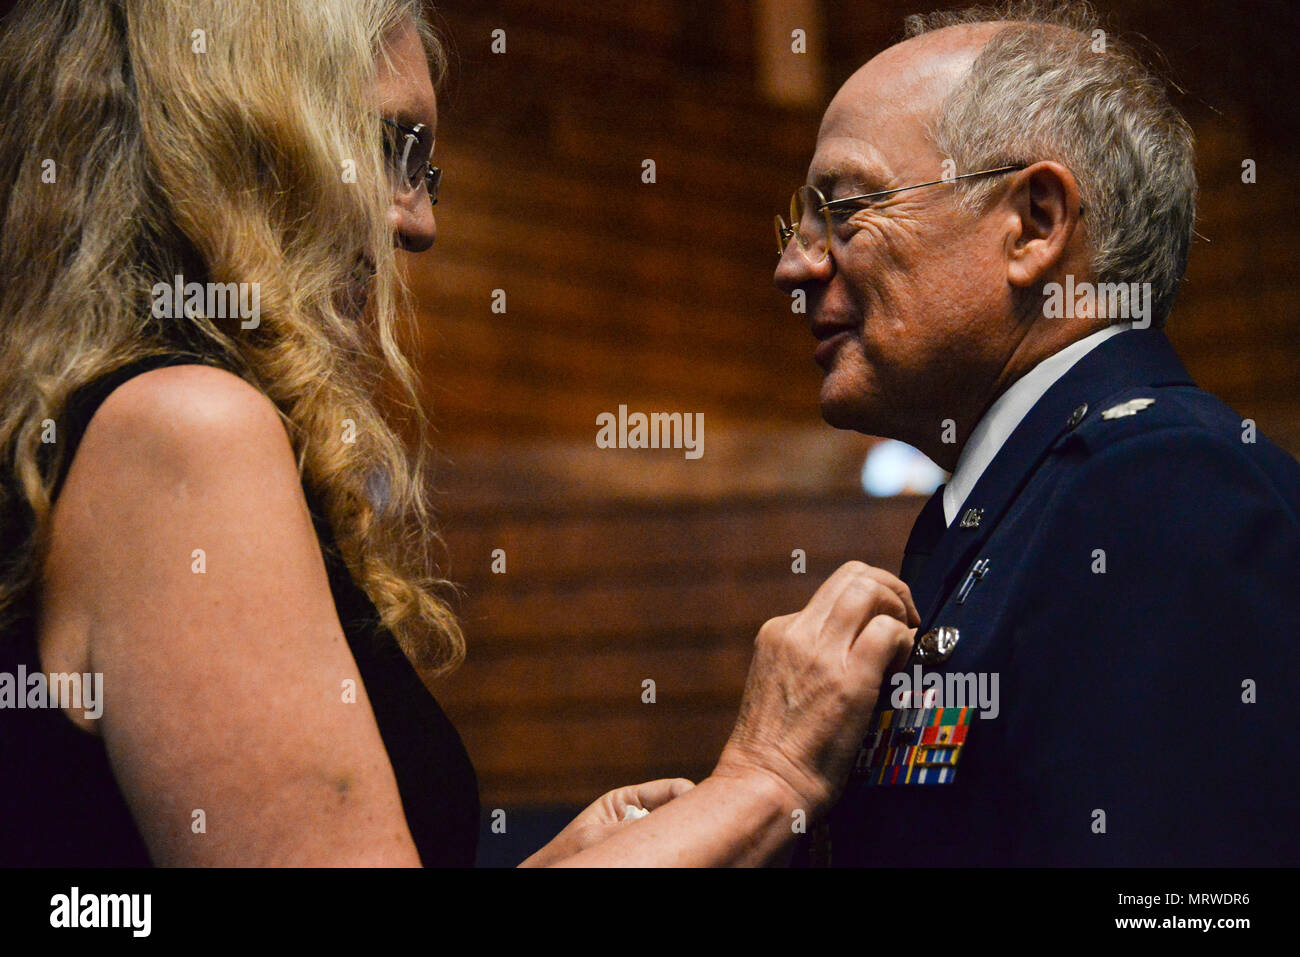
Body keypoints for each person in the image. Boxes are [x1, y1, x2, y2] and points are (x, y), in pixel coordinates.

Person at [0, 0, 918, 867]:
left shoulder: (106, 421)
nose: (422, 222)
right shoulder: (185, 427)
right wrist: (766, 777)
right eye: (396, 151)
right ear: (248, 138)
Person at [774, 1, 1300, 866]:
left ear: (1036, 224)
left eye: (846, 209)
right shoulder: (1025, 500)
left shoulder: (1160, 488)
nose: (795, 265)